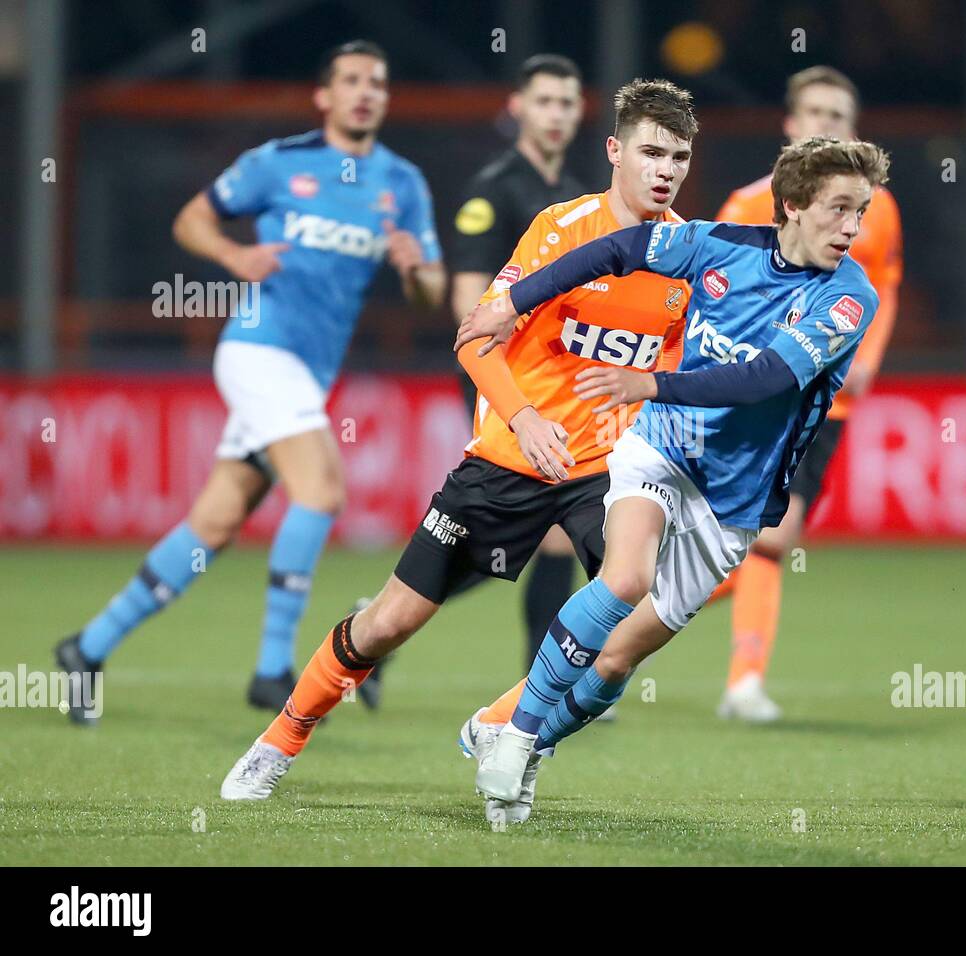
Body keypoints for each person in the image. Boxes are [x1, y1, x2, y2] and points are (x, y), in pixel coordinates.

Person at [218, 79, 699, 802]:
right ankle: (281, 738)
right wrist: (523, 418)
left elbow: (667, 369)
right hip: (510, 460)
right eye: (651, 152)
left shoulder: (687, 257)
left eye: (680, 157)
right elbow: (474, 338)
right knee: (388, 623)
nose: (664, 170)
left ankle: (506, 728)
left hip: (605, 470)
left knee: (638, 611)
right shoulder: (562, 231)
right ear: (615, 152)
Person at [466, 136, 890, 823]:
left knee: (618, 660)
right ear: (792, 206)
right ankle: (513, 739)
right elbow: (615, 250)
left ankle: (525, 744)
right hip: (661, 452)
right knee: (623, 580)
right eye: (839, 209)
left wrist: (650, 381)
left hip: (734, 503)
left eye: (860, 212)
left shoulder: (849, 300)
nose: (851, 228)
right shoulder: (718, 244)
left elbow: (765, 380)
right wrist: (516, 302)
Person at [52, 40, 445, 725]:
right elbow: (191, 218)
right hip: (258, 351)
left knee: (217, 522)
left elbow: (431, 294)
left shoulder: (402, 183)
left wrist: (414, 271)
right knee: (322, 490)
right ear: (324, 96)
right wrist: (234, 253)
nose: (365, 91)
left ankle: (87, 647)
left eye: (377, 82)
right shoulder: (278, 163)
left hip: (308, 373)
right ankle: (271, 670)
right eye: (350, 80)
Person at [712, 66, 903, 722]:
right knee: (768, 536)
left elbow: (886, 285)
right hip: (762, 398)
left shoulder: (877, 212)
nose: (827, 124)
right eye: (815, 112)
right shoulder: (745, 205)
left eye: (839, 116)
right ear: (791, 126)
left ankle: (623, 613)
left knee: (762, 540)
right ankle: (741, 680)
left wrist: (866, 359)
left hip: (830, 406)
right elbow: (714, 299)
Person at [447, 54, 590, 673]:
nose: (556, 114)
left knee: (544, 536)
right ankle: (547, 674)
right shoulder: (494, 189)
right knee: (539, 532)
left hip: (556, 381)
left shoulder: (571, 196)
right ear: (518, 108)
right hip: (502, 384)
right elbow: (468, 307)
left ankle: (542, 674)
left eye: (566, 102)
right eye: (544, 101)